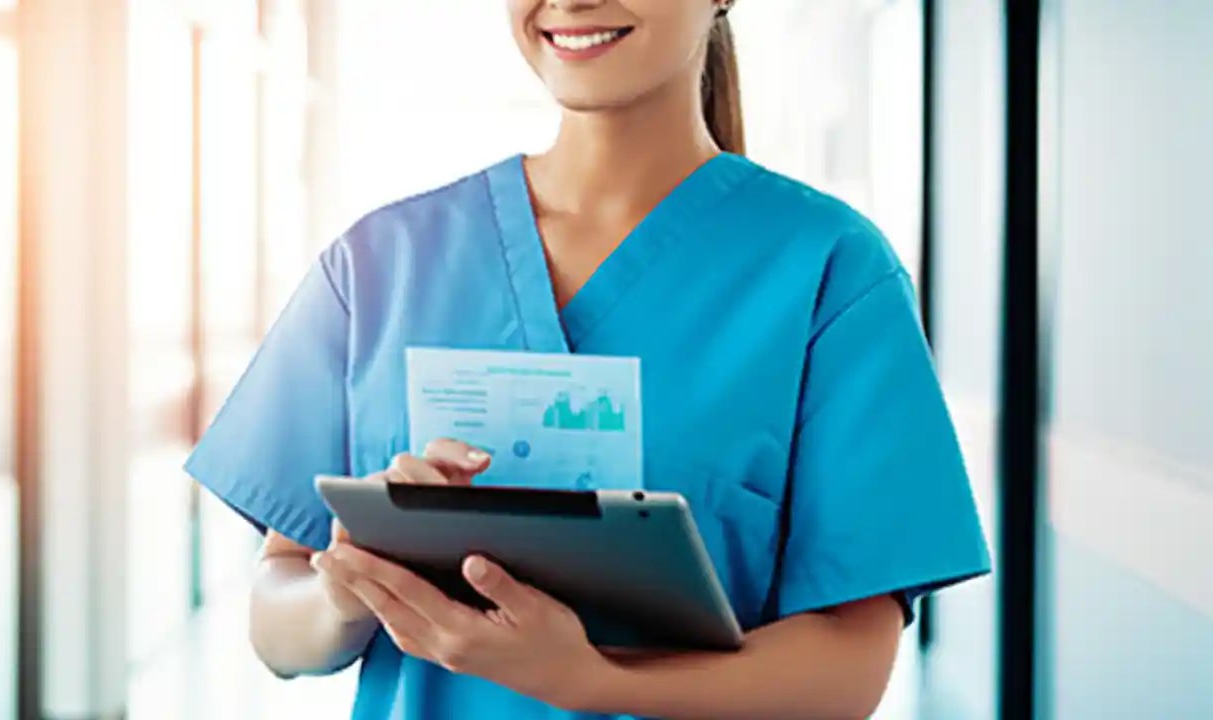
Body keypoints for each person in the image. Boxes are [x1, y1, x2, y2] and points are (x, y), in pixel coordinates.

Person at [184, 0, 992, 718]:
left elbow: (848, 669)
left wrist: (589, 680)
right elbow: (278, 616)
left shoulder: (828, 270)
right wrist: (351, 592)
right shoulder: (380, 265)